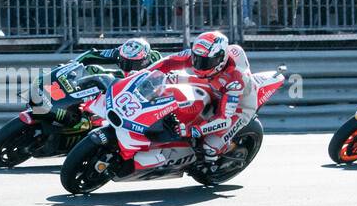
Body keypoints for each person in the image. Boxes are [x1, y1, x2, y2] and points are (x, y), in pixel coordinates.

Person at [150, 30, 258, 167]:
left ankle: (225, 151)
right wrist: (144, 73)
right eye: (196, 59)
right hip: (214, 86)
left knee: (210, 147)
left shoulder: (235, 79)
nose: (198, 64)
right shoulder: (202, 53)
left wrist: (192, 130)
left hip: (240, 107)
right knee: (172, 81)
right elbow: (168, 62)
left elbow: (224, 120)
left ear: (220, 59)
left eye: (205, 62)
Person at [75, 37, 157, 74]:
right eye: (123, 61)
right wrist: (72, 64)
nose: (126, 65)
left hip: (146, 87)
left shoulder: (155, 59)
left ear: (145, 60)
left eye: (131, 63)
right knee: (92, 70)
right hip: (123, 81)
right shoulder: (117, 52)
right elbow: (90, 55)